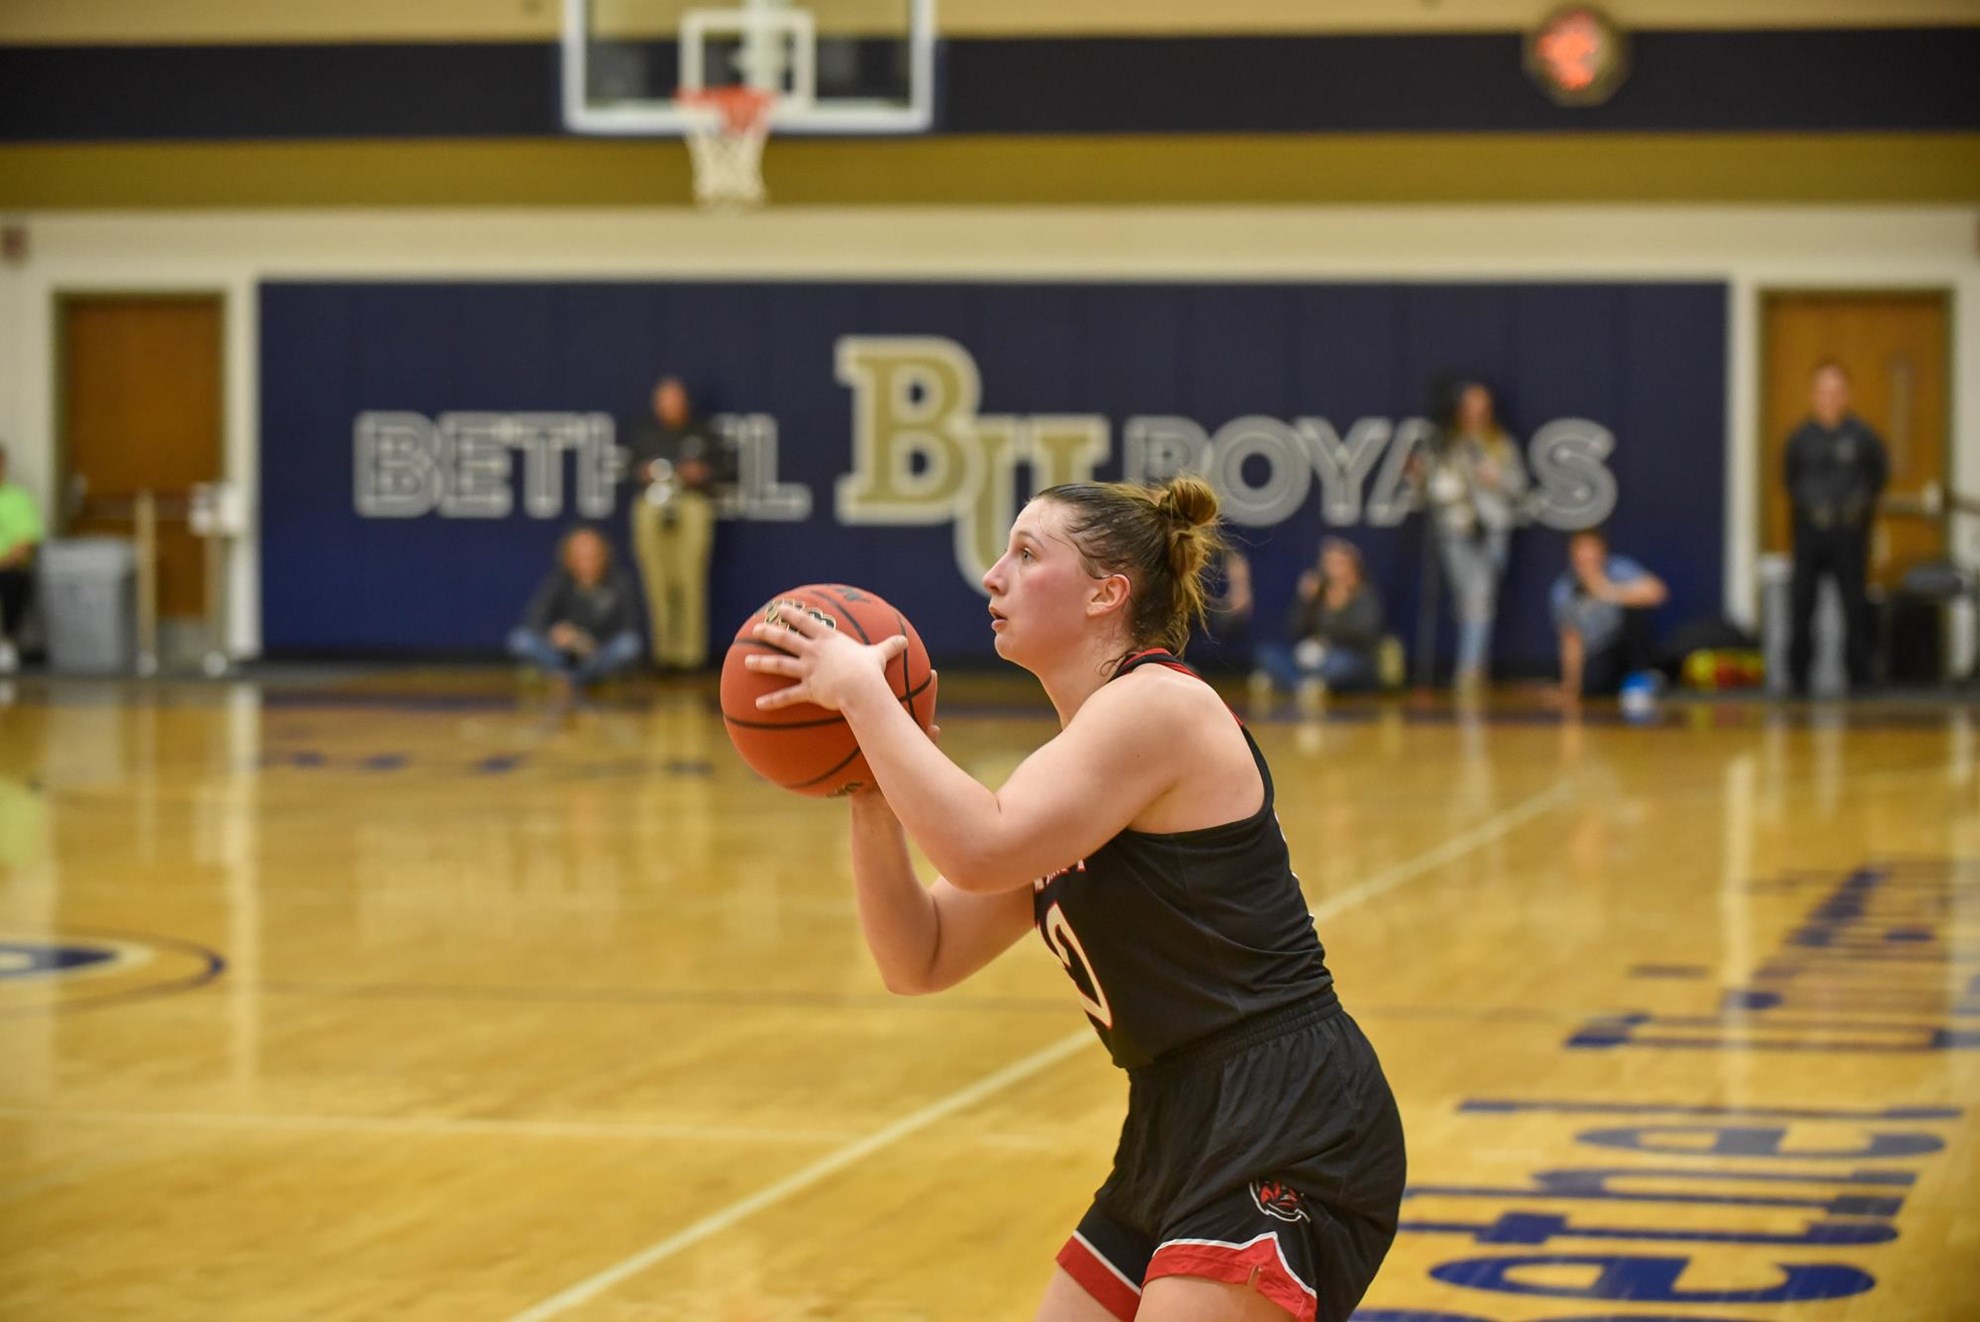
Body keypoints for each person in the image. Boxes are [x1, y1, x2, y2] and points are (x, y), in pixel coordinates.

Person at [744, 477, 1405, 1322]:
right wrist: (868, 787)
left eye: (1027, 554)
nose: (994, 575)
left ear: (1106, 594)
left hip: (1289, 1112)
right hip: (1173, 1119)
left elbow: (980, 847)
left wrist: (866, 696)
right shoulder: (1075, 766)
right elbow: (920, 956)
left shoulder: (1160, 706)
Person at [1784, 360, 1888, 694]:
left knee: (1855, 605)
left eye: (1836, 391)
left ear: (1847, 394)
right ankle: (1798, 680)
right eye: (1823, 391)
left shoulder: (1863, 436)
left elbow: (1878, 478)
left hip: (1849, 531)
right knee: (1802, 604)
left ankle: (1859, 678)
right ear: (1813, 395)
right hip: (1810, 530)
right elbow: (1789, 479)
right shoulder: (1800, 438)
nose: (1829, 398)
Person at [1416, 382, 1526, 692]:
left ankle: (1471, 669)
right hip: (1456, 528)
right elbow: (1435, 491)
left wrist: (1496, 478)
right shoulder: (1446, 445)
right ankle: (1472, 669)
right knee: (1471, 600)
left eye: (1482, 407)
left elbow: (1518, 487)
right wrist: (1422, 477)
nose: (1476, 414)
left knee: (1480, 598)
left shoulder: (1501, 444)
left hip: (1492, 529)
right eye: (1470, 407)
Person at [625, 377, 734, 672]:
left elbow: (727, 469)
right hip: (653, 504)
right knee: (657, 582)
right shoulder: (644, 431)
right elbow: (626, 469)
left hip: (691, 502)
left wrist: (700, 473)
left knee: (689, 579)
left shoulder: (703, 431)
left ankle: (691, 657)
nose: (670, 406)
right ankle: (663, 655)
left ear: (685, 402)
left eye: (675, 399)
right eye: (664, 400)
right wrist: (644, 472)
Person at [507, 527, 643, 704]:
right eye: (580, 557)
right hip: (563, 655)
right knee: (520, 640)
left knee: (629, 646)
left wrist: (593, 642)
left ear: (604, 556)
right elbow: (534, 619)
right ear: (569, 559)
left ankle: (570, 679)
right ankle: (583, 679)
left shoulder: (620, 582)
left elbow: (629, 627)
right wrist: (557, 634)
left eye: (592, 556)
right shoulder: (558, 581)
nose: (587, 563)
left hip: (599, 653)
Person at [1253, 537, 1386, 701]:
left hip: (1343, 656)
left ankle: (1288, 682)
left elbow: (1365, 635)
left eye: (1338, 563)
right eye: (1328, 562)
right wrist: (1306, 601)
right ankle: (1307, 685)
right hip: (1310, 656)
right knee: (1267, 654)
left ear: (1352, 566)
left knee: (1343, 664)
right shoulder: (1317, 592)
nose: (1332, 569)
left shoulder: (1363, 595)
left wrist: (1329, 633)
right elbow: (1295, 628)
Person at [1552, 527, 1668, 703]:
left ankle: (1641, 677)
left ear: (1602, 553)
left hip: (1625, 644)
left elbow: (1657, 593)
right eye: (1581, 555)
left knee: (1635, 612)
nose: (1587, 560)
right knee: (1592, 687)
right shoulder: (1564, 590)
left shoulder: (1618, 568)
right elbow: (1571, 640)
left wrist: (1608, 592)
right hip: (1599, 652)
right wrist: (1571, 687)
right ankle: (1624, 686)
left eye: (1592, 553)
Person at [0, 444, 44, 675]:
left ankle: (7, 643)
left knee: (14, 580)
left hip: (7, 568)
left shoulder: (18, 499)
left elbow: (24, 544)